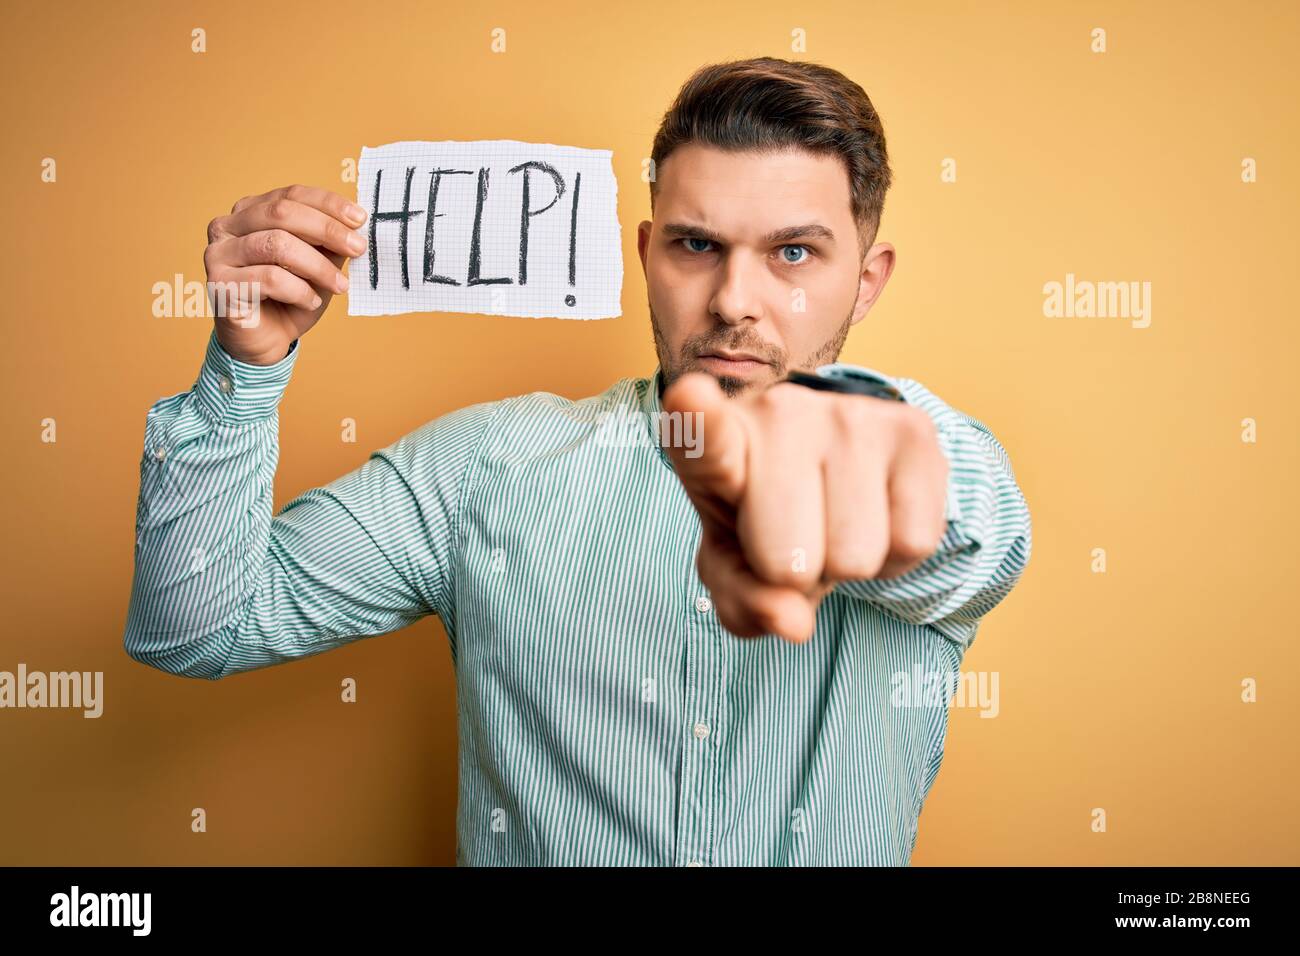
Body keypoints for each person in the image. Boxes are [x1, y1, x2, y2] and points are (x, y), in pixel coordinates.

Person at [124, 56, 1031, 866]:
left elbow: (971, 533)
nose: (734, 301)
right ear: (646, 254)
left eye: (793, 252)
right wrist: (243, 371)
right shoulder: (482, 469)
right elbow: (198, 628)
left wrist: (839, 449)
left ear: (866, 281)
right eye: (696, 246)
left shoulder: (928, 458)